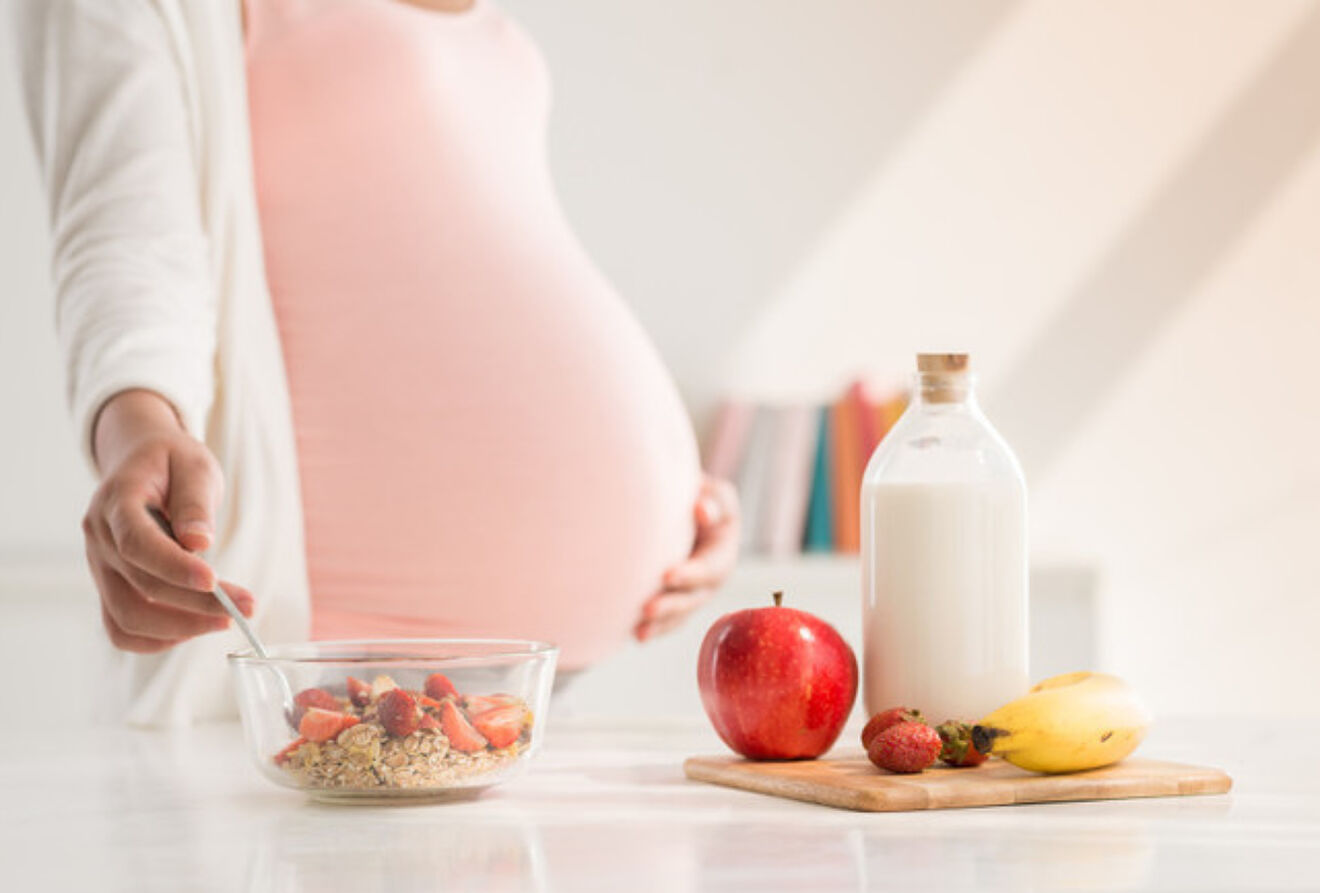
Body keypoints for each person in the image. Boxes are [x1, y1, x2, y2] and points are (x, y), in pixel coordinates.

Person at [10, 0, 739, 724]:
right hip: (337, 685)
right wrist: (137, 430)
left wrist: (680, 500)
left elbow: (466, 244)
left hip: (564, 686)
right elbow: (128, 247)